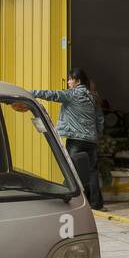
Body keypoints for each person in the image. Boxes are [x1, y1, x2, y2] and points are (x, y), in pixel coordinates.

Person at [31, 68, 104, 210]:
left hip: (76, 139)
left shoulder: (71, 94)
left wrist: (31, 93)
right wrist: (98, 135)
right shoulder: (93, 97)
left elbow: (52, 95)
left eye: (71, 79)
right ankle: (97, 203)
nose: (69, 82)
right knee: (92, 171)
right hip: (91, 140)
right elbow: (100, 119)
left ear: (78, 81)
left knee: (71, 169)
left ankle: (68, 200)